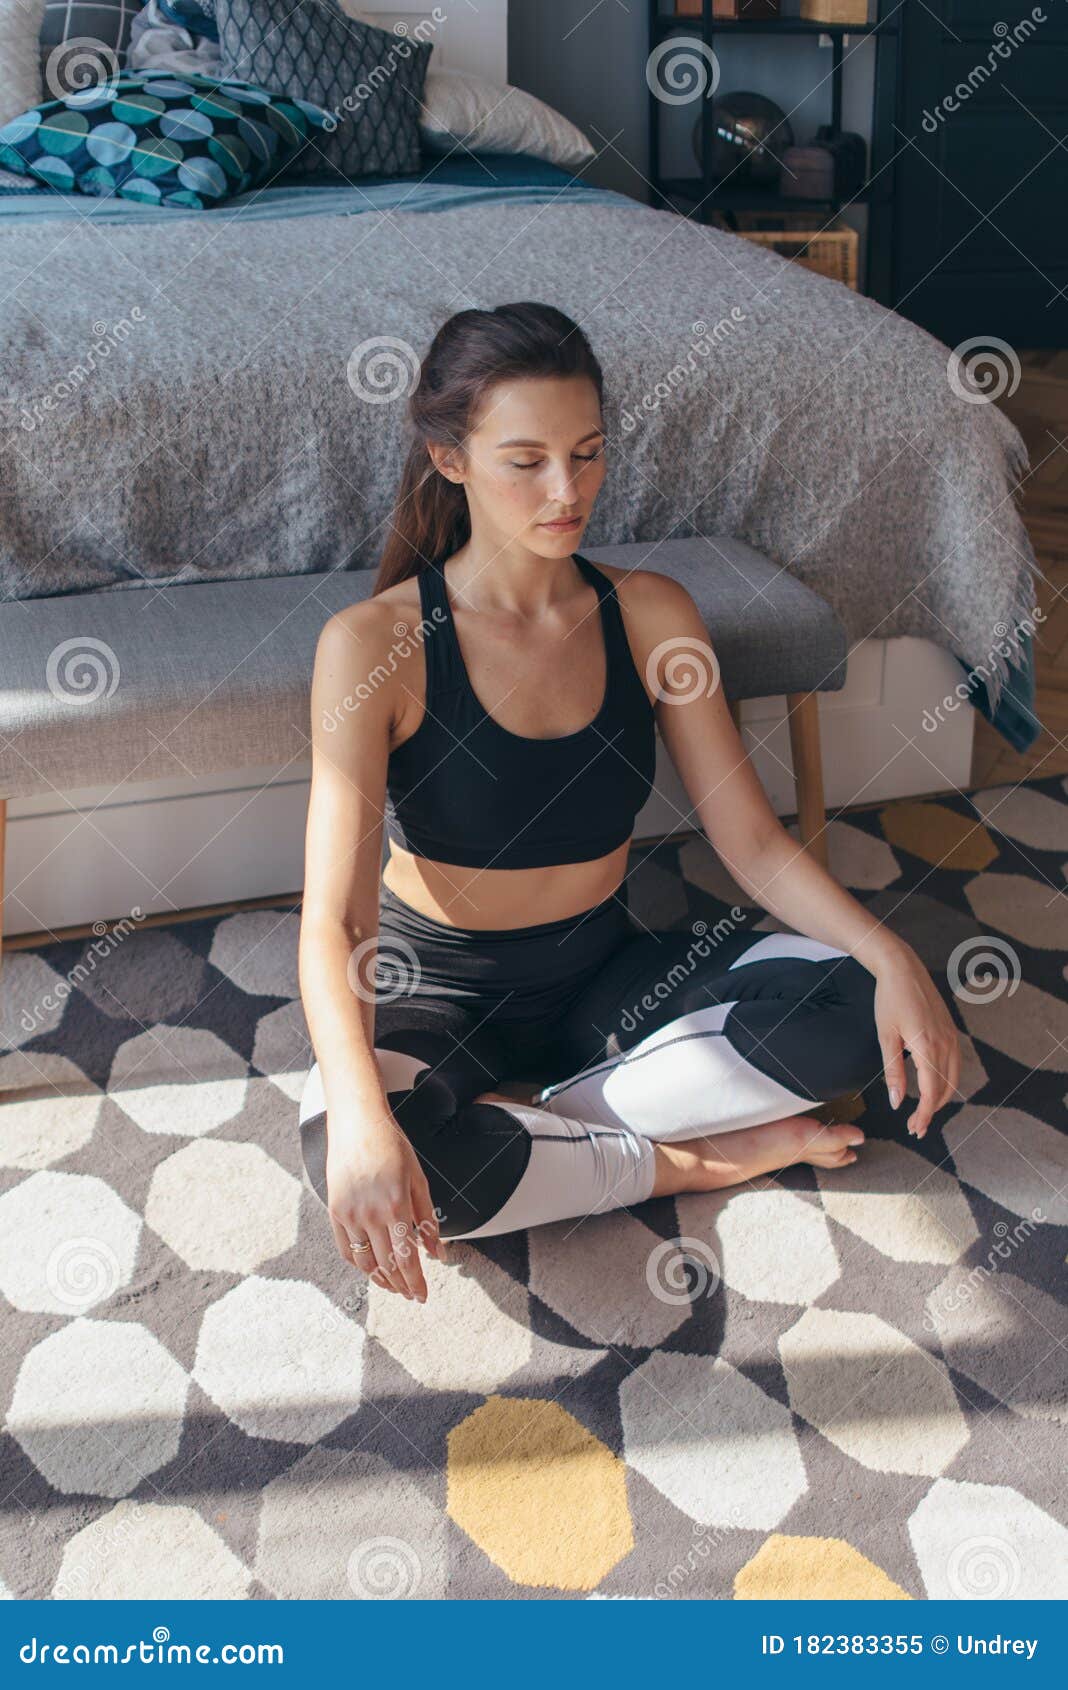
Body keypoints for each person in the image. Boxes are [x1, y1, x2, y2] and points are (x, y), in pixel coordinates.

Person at [297, 301, 961, 1305]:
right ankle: (702, 1155)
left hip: (607, 979)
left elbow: (749, 838)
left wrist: (891, 954)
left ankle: (543, 1118)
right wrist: (357, 1115)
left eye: (589, 453)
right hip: (437, 994)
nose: (569, 492)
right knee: (366, 1160)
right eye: (527, 461)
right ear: (450, 458)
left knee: (871, 1009)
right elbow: (334, 919)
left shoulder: (653, 615)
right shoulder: (371, 644)